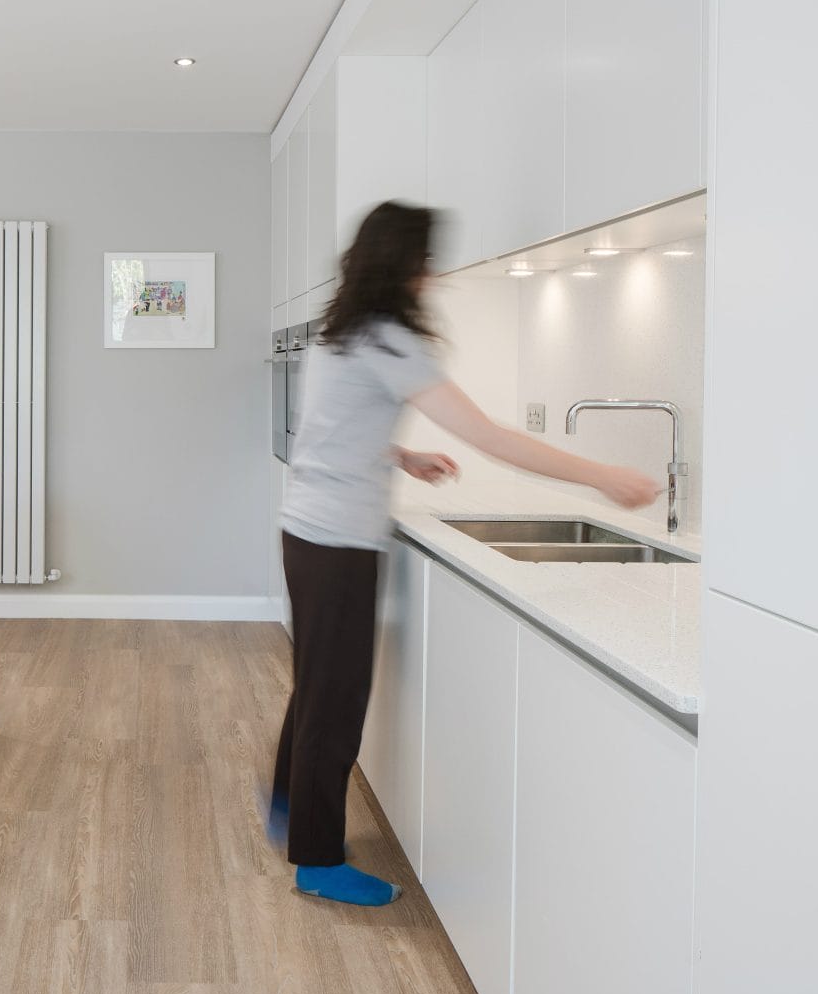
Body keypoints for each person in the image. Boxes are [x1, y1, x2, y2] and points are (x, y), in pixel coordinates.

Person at [270, 201, 660, 907]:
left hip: (306, 530)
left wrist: (401, 451)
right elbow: (490, 436)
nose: (433, 274)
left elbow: (331, 427)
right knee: (336, 697)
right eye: (427, 260)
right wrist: (602, 476)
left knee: (317, 684)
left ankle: (289, 805)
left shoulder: (344, 331)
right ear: (407, 264)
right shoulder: (392, 340)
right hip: (337, 541)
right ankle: (317, 859)